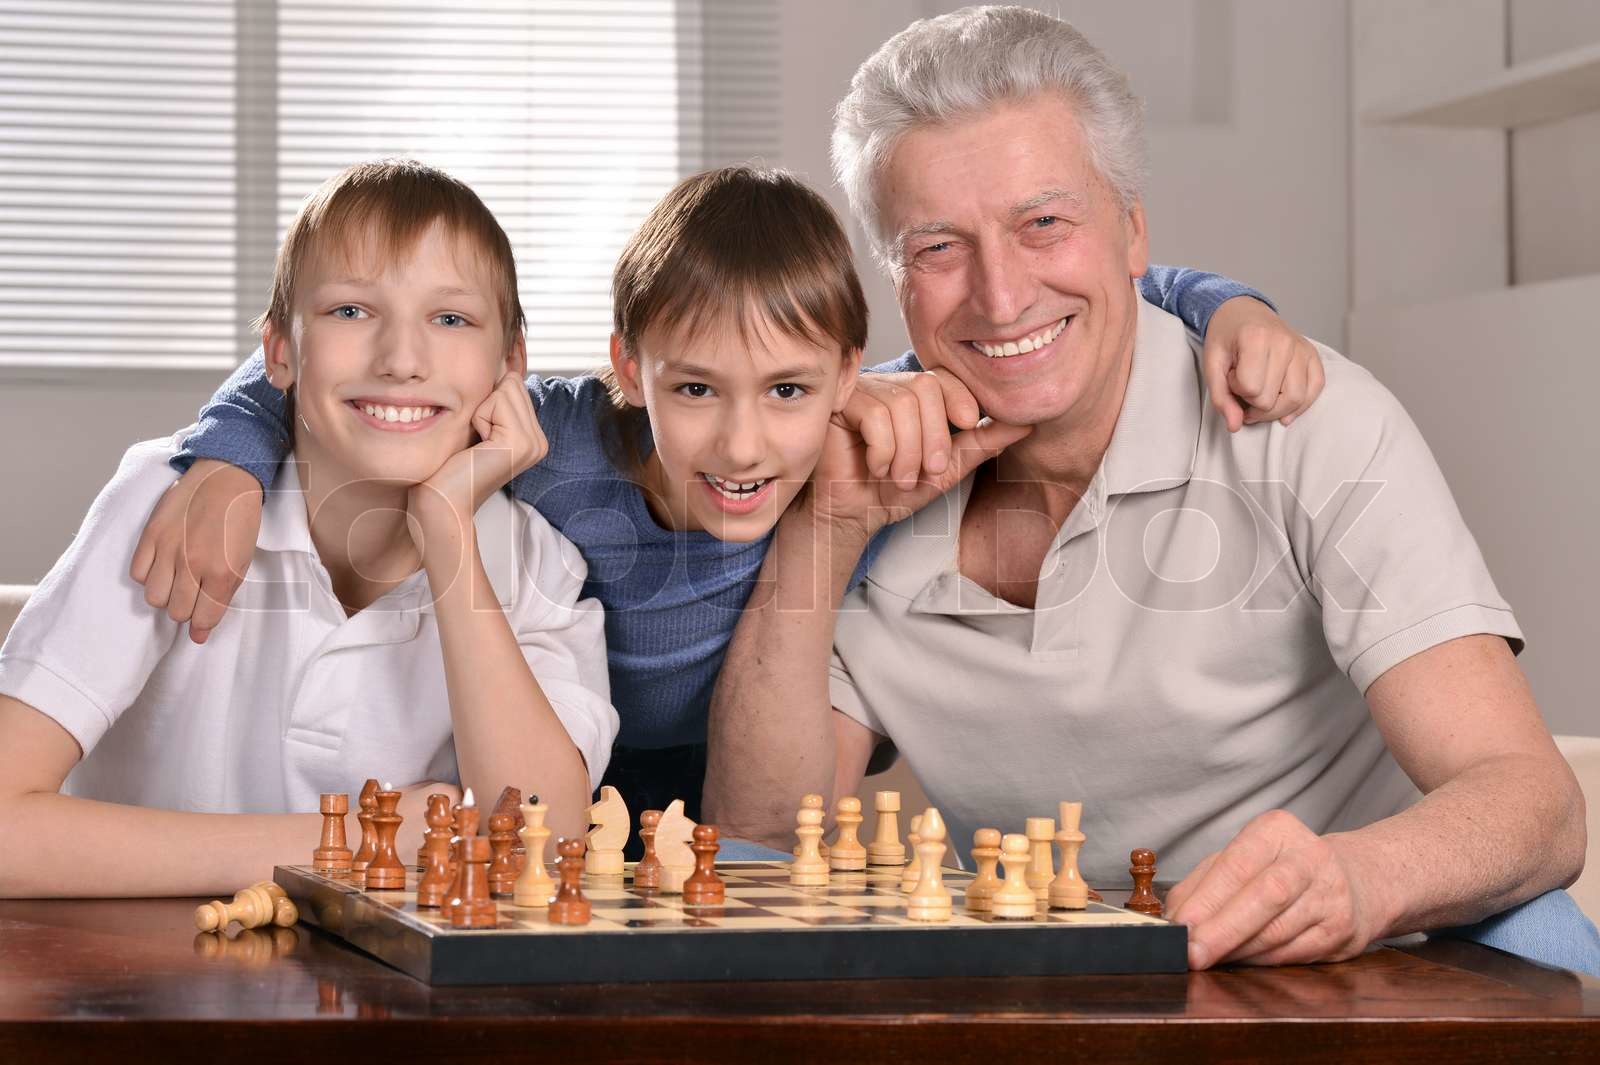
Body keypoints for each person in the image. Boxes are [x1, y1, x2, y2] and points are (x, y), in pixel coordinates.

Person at [700, 6, 1598, 975]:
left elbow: (1533, 804)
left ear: (1132, 232)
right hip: (1075, 993)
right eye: (938, 248)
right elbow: (755, 852)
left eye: (1043, 223)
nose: (1000, 296)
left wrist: (1354, 881)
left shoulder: (1307, 421)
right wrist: (824, 529)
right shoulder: (854, 467)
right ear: (894, 278)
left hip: (1380, 957)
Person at [131, 166, 1322, 840]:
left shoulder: (882, 419)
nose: (746, 440)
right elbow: (354, 364)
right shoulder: (546, 430)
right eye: (694, 389)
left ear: (851, 377)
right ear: (627, 368)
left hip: (743, 797)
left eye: (790, 390)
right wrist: (224, 459)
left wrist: (1230, 309)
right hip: (566, 781)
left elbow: (1098, 290)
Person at [0, 159, 617, 896]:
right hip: (149, 992)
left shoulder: (541, 569)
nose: (400, 360)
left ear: (511, 364)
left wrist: (447, 527)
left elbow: (541, 853)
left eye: (450, 319)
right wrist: (355, 842)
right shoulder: (173, 503)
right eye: (351, 311)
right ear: (279, 353)